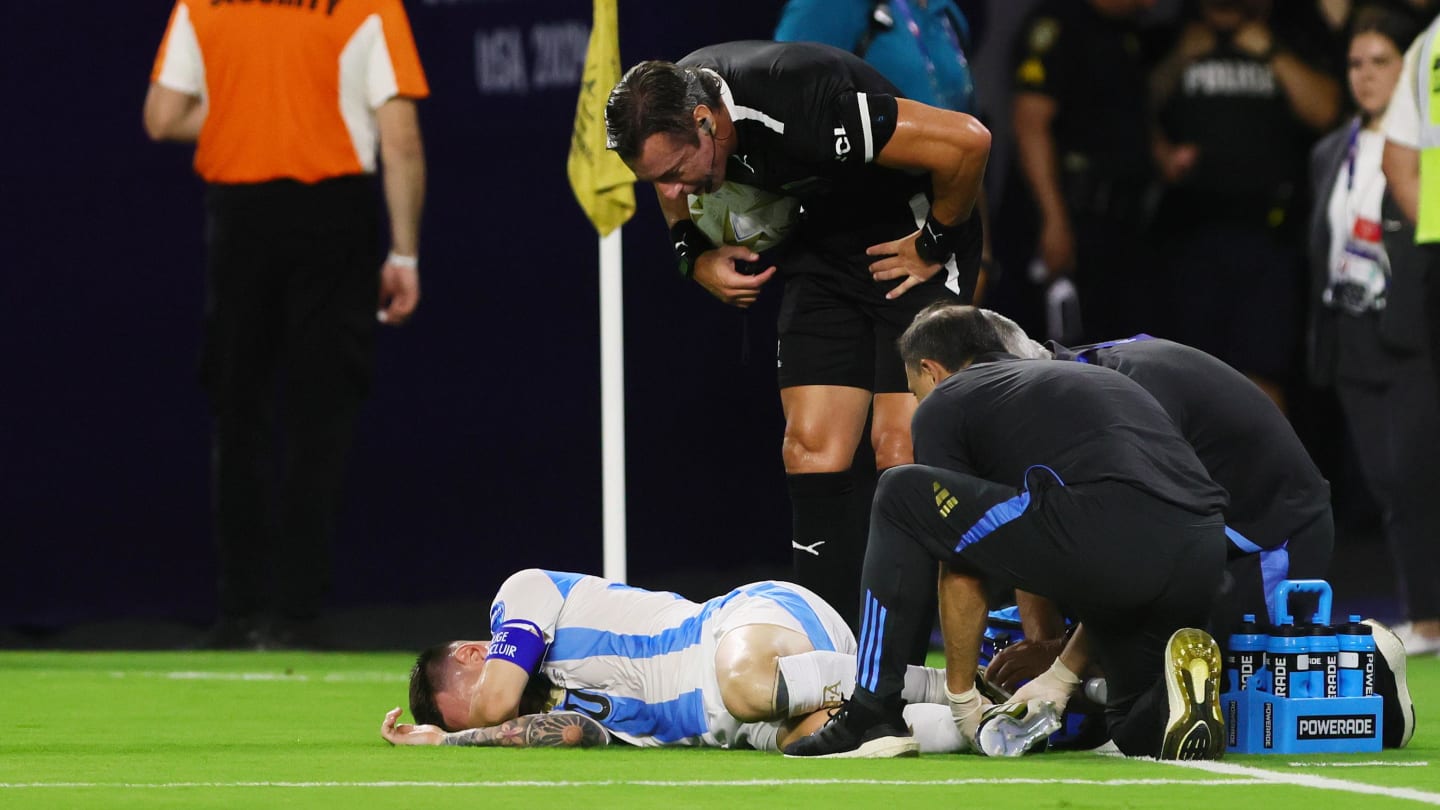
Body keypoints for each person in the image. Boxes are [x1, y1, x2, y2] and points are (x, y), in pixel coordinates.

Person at [604, 42, 991, 635]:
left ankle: (898, 672)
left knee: (900, 451)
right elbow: (667, 181)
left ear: (707, 121)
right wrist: (692, 254)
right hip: (823, 250)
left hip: (909, 240)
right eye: (658, 179)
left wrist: (934, 243)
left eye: (678, 170)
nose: (676, 191)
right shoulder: (668, 108)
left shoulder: (802, 100)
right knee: (810, 447)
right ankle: (827, 657)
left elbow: (967, 140)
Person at [784, 304, 1230, 760]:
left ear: (930, 371)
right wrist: (1060, 676)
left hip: (1108, 534)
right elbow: (1113, 528)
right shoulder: (1087, 383)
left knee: (900, 494)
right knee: (1133, 723)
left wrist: (962, 699)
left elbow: (961, 560)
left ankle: (870, 712)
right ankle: (1170, 705)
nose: (920, 403)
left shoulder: (948, 399)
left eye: (915, 391)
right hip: (1202, 545)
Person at [144, 0, 428, 648]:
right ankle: (297, 613)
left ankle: (238, 611)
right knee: (320, 414)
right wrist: (404, 253)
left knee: (237, 411)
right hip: (333, 215)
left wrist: (251, 114)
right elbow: (400, 138)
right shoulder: (368, 5)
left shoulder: (204, 5)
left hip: (240, 217)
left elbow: (162, 116)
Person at [979, 316, 1332, 631]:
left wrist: (1059, 668)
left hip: (1268, 538)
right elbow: (1034, 522)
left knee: (1199, 687)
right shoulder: (1063, 387)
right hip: (1203, 541)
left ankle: (1378, 662)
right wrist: (1044, 643)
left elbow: (1144, 553)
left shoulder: (1122, 397)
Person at [384, 569, 966, 753]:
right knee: (819, 745)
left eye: (477, 716)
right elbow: (570, 734)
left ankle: (936, 683)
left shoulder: (523, 593)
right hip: (747, 720)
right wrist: (446, 743)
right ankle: (986, 721)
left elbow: (495, 700)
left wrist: (479, 719)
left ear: (471, 653)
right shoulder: (558, 711)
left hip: (745, 628)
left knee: (741, 683)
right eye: (480, 730)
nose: (492, 723)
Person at [1316, 8, 1440, 657]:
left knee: (1417, 474)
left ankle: (1428, 619)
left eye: (1381, 62)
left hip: (1412, 330)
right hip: (1351, 332)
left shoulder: (1425, 149)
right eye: (1356, 63)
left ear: (1411, 69)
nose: (1366, 76)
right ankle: (1424, 612)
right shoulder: (1331, 150)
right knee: (1387, 482)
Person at [1150, 0, 1341, 412]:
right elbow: (1125, 109)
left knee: (1262, 379)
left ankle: (1263, 478)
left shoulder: (1292, 34)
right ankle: (1189, 477)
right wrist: (1180, 58)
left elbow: (1326, 110)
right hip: (1187, 232)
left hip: (1268, 236)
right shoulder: (1172, 35)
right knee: (1182, 377)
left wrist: (1272, 52)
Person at [1001, 0, 1162, 345]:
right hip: (1067, 215)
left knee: (1115, 347)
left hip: (1117, 226)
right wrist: (1053, 219)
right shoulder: (1058, 23)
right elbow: (1030, 123)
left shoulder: (1127, 34)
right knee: (1054, 352)